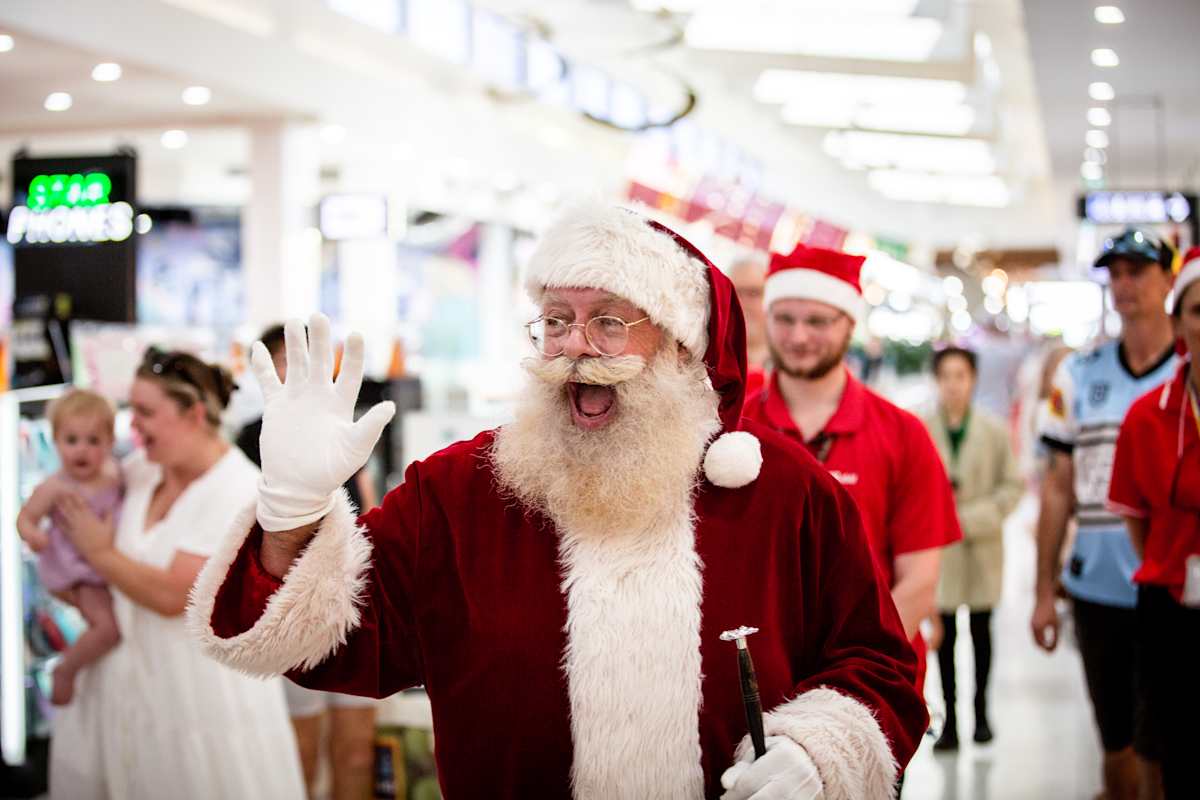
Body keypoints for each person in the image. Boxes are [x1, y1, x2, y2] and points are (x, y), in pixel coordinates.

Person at [189, 204, 929, 800]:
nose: (576, 345)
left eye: (610, 319)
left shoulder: (783, 494)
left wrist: (818, 752)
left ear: (681, 347)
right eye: (556, 320)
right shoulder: (459, 491)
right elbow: (334, 644)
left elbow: (878, 664)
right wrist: (290, 514)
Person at [49, 348, 304, 799]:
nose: (134, 426)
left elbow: (173, 596)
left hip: (200, 702)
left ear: (194, 414)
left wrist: (98, 552)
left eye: (145, 412)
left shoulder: (238, 489)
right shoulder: (140, 472)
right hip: (124, 690)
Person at [742, 243, 962, 695]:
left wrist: (849, 676)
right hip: (762, 689)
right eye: (784, 318)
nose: (799, 336)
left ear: (850, 324)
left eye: (818, 321)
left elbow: (919, 582)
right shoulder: (735, 431)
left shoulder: (902, 435)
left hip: (873, 687)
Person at [1032, 228, 1178, 800]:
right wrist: (1045, 589)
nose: (1123, 285)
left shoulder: (1186, 376)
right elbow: (1057, 488)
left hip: (1172, 588)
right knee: (1115, 742)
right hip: (1096, 588)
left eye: (1136, 271)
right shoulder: (1078, 375)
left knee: (1164, 743)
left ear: (1168, 279)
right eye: (1114, 273)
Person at [236, 323, 379, 800]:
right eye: (285, 360)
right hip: (289, 602)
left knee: (356, 747)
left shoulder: (342, 426)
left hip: (351, 594)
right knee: (298, 748)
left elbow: (366, 503)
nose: (295, 370)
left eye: (303, 360)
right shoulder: (248, 437)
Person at [1108, 246, 1200, 798]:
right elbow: (1138, 522)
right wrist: (1168, 564)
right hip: (1170, 608)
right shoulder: (1147, 417)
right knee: (1177, 747)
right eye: (1198, 309)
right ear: (1181, 320)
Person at [922, 346, 1022, 751]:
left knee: (981, 632)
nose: (953, 385)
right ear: (937, 380)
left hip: (981, 550)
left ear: (973, 379)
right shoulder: (922, 429)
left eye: (960, 376)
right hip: (941, 553)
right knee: (944, 638)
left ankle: (981, 715)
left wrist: (972, 518)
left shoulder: (995, 431)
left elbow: (1012, 488)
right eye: (946, 376)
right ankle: (950, 722)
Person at [16, 389, 122, 706]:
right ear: (55, 441)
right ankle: (66, 669)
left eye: (93, 441)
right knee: (108, 627)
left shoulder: (115, 474)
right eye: (71, 440)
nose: (82, 451)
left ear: (110, 442)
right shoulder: (55, 487)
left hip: (105, 563)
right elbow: (25, 518)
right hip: (77, 570)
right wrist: (32, 534)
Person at [729, 256, 769, 398]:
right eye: (735, 293)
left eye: (753, 293)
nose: (742, 303)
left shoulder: (791, 362)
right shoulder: (707, 359)